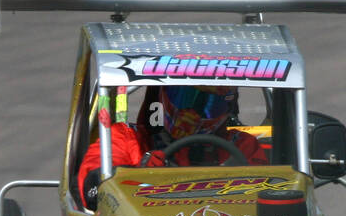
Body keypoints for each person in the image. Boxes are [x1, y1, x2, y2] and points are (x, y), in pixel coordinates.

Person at [78, 85, 266, 205]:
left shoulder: (241, 146)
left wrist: (234, 178)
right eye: (183, 99)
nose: (190, 113)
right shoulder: (125, 138)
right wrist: (137, 175)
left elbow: (270, 196)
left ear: (226, 110)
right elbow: (91, 191)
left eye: (207, 105)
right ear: (162, 96)